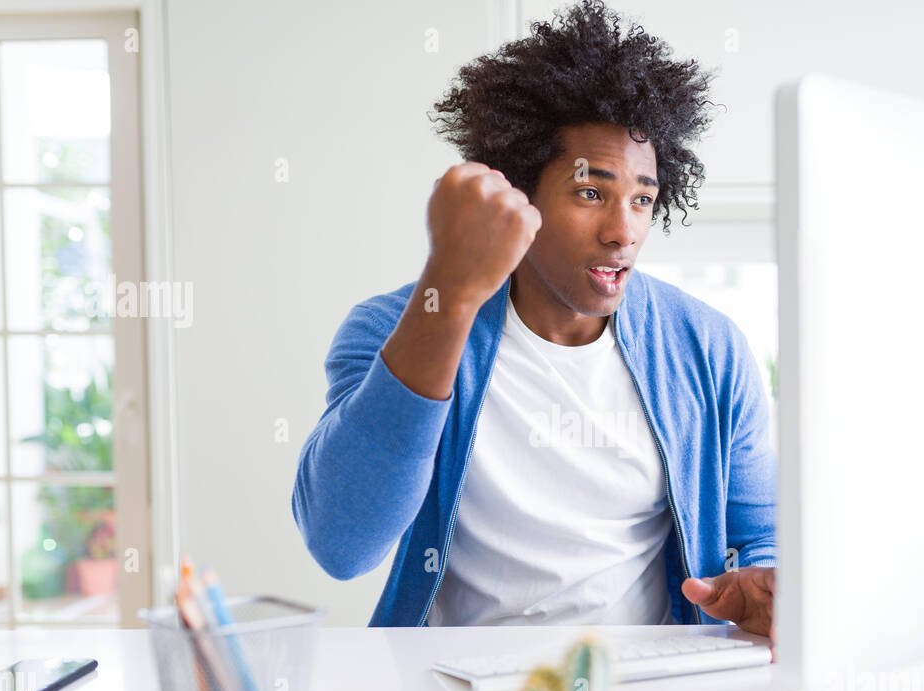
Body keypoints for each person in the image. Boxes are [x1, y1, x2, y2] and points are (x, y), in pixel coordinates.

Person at [292, 0, 775, 636]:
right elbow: (341, 542)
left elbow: (759, 534)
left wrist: (763, 586)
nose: (622, 231)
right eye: (590, 192)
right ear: (520, 194)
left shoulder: (707, 348)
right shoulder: (392, 329)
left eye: (642, 199)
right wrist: (451, 289)